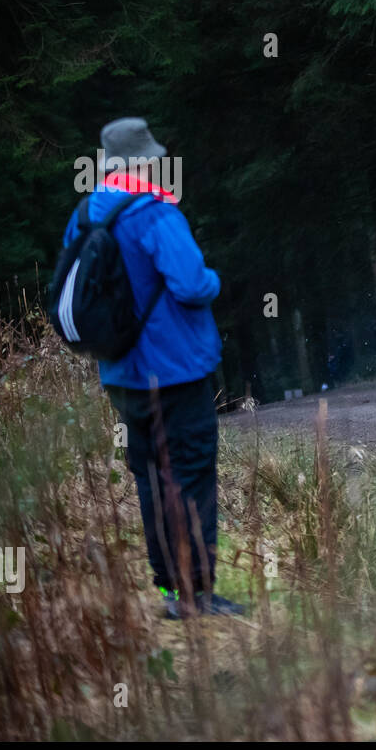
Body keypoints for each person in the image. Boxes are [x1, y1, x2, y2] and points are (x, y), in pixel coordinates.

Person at [61, 117, 243, 619]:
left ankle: (169, 590)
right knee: (190, 475)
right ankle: (197, 595)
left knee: (151, 479)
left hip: (121, 374)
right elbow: (190, 284)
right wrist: (213, 279)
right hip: (176, 371)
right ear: (141, 161)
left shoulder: (83, 215)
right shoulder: (155, 213)